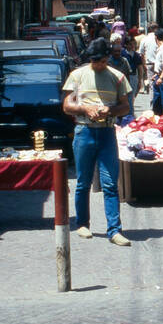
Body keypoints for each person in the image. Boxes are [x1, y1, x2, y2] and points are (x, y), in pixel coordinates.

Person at [62, 37, 133, 246]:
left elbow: (125, 107)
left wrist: (108, 110)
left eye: (101, 61)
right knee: (83, 182)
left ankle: (114, 230)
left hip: (107, 132)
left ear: (107, 59)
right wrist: (85, 108)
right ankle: (82, 223)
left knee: (110, 183)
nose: (98, 65)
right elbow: (67, 106)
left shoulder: (118, 77)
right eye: (94, 62)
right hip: (84, 131)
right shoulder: (77, 76)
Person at [139, 23, 159, 99]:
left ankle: (153, 102)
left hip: (149, 63)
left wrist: (144, 65)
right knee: (160, 82)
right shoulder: (159, 39)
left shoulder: (144, 39)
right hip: (159, 63)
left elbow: (142, 54)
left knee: (151, 84)